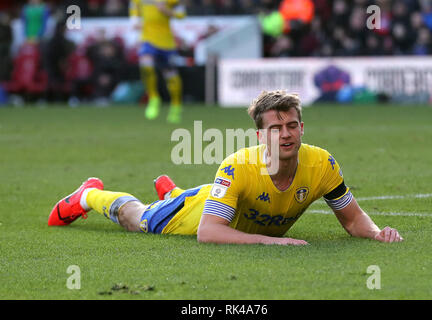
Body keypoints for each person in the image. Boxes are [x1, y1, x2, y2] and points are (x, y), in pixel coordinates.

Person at [48, 90, 403, 244]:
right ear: (260, 136)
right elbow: (209, 233)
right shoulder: (238, 166)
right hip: (196, 216)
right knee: (137, 219)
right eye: (275, 128)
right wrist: (271, 242)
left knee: (178, 200)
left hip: (215, 204)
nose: (286, 135)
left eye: (292, 125)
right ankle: (89, 195)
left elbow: (354, 219)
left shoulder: (323, 164)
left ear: (302, 128)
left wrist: (376, 233)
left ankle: (172, 192)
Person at [129, 0, 185, 123]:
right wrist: (134, 21)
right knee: (146, 65)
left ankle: (176, 106)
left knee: (170, 74)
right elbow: (134, 11)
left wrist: (167, 11)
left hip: (166, 42)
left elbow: (182, 14)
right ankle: (153, 97)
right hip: (148, 39)